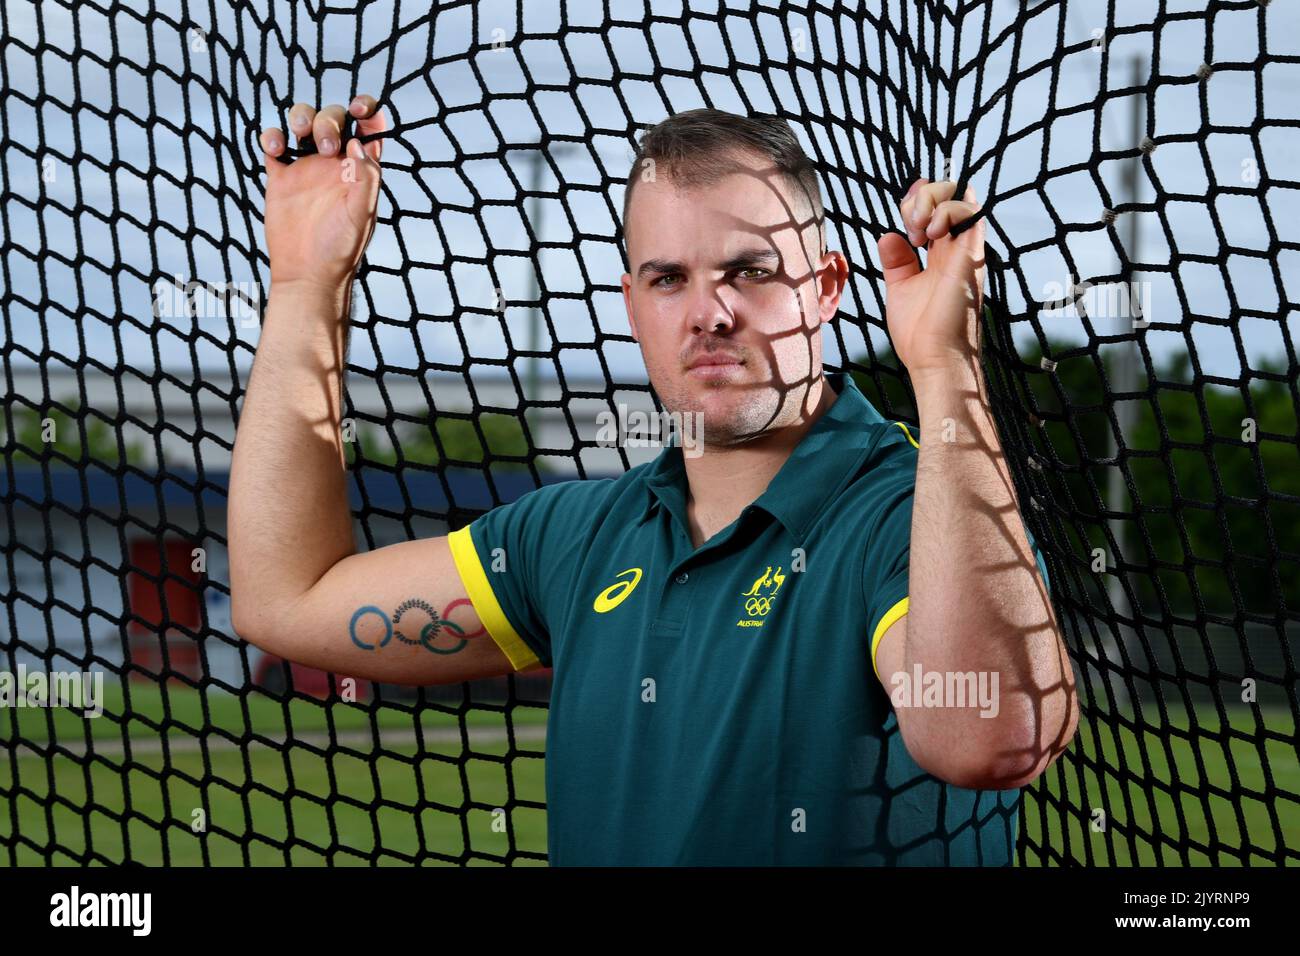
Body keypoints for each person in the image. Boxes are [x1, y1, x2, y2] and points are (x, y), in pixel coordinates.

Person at [231, 99, 1078, 865]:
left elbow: (989, 737)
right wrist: (308, 285)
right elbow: (285, 598)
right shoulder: (573, 538)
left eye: (751, 270)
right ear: (633, 305)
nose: (710, 313)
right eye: (669, 278)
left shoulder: (911, 516)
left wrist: (945, 370)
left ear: (825, 289)